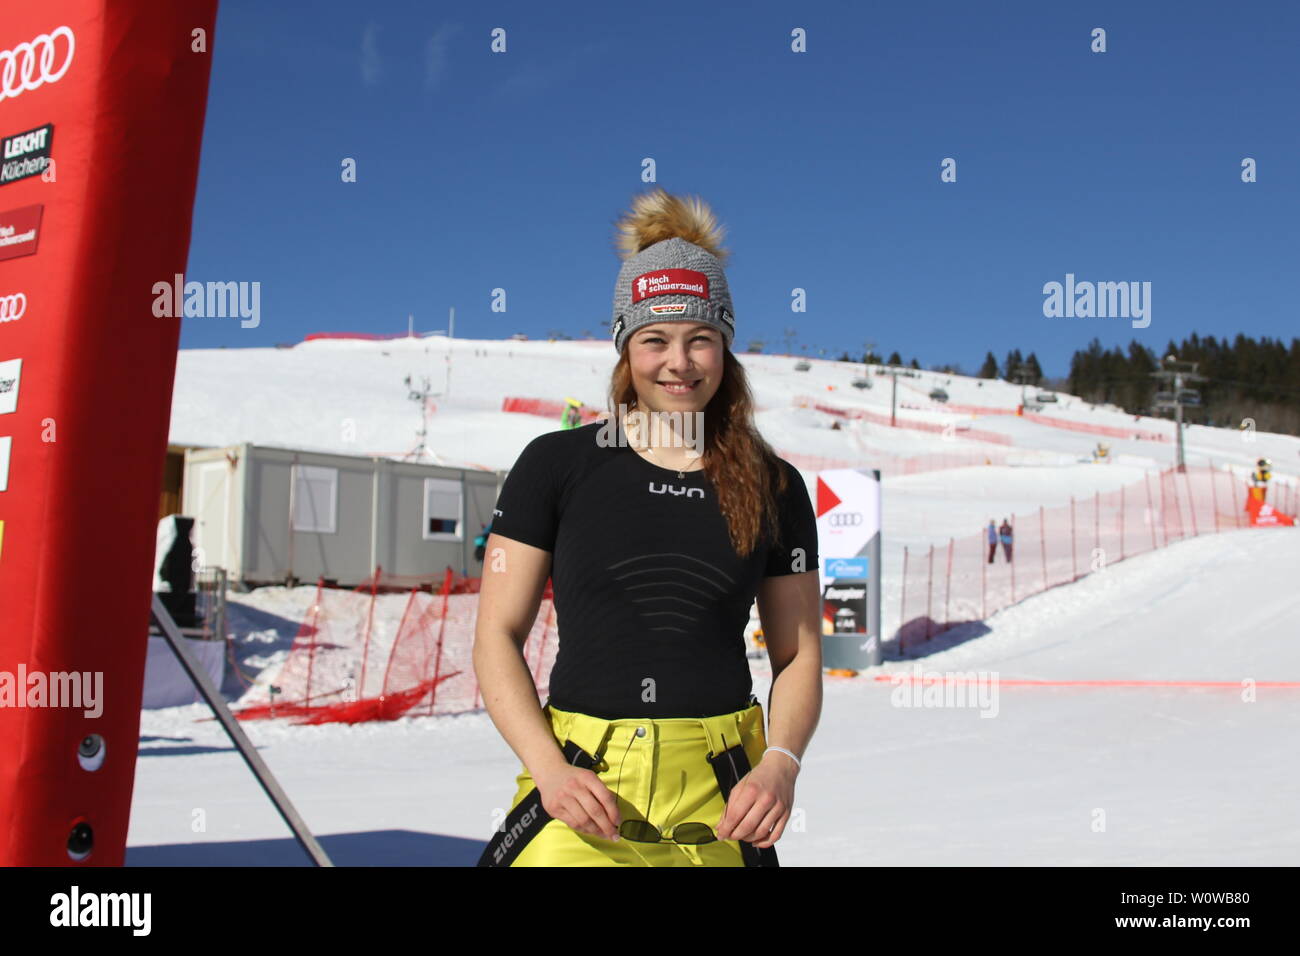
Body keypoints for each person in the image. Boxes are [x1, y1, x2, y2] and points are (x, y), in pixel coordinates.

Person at [473, 188, 822, 867]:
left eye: (701, 340)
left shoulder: (775, 484)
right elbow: (496, 635)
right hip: (581, 791)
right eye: (654, 339)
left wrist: (780, 763)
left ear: (726, 346)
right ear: (624, 348)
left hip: (722, 803)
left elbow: (799, 655)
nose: (679, 362)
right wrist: (548, 769)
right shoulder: (555, 466)